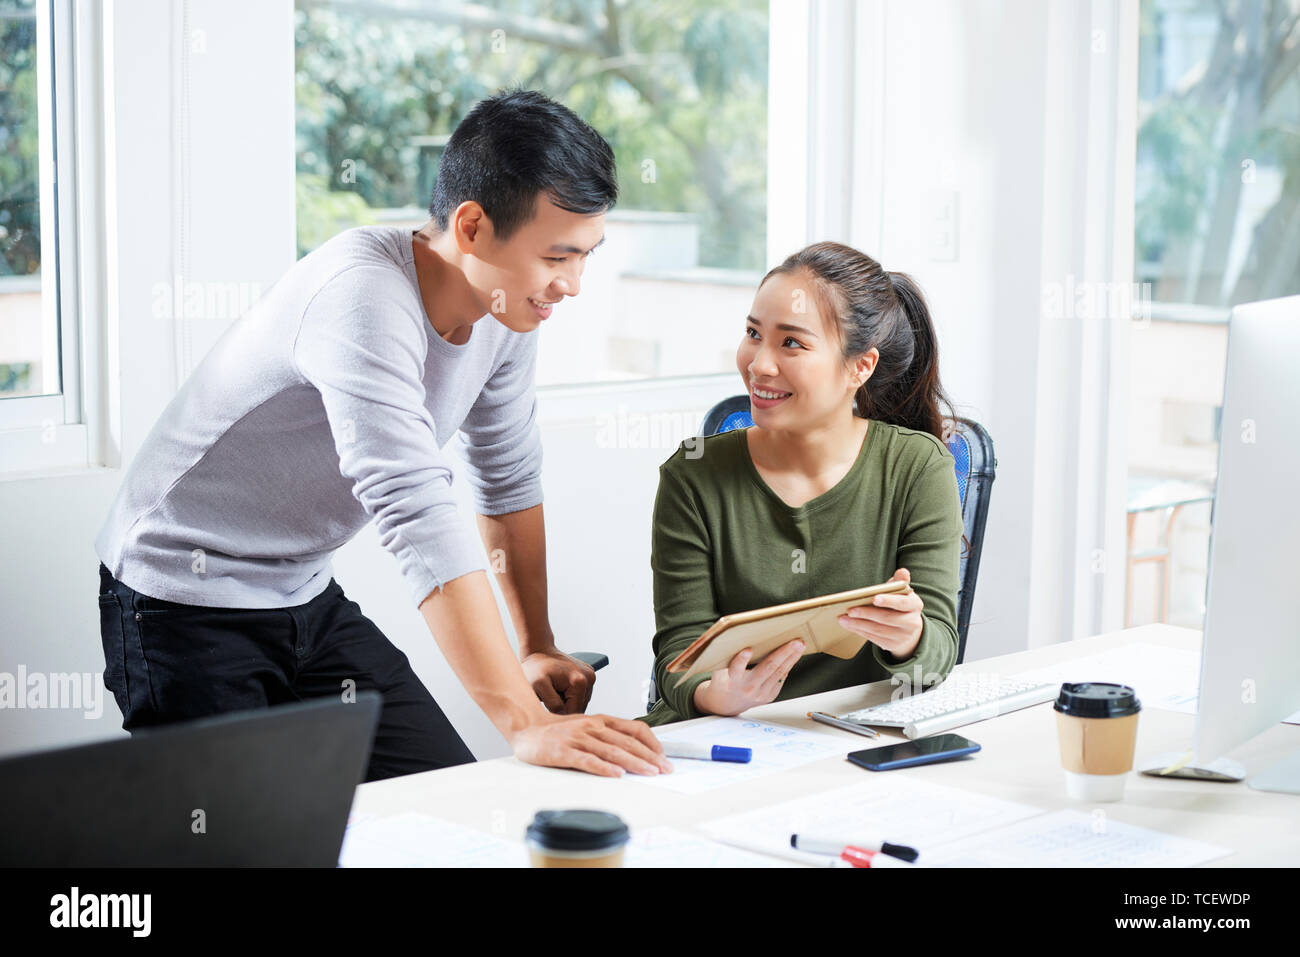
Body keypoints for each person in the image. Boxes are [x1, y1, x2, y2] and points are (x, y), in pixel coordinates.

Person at [96, 89, 670, 780]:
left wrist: (537, 644)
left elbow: (508, 476)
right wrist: (524, 720)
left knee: (443, 803)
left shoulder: (507, 312)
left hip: (302, 593)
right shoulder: (362, 297)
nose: (572, 283)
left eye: (586, 256)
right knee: (246, 841)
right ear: (472, 226)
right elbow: (418, 511)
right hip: (179, 602)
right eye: (557, 257)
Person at [642, 241, 964, 726]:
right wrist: (715, 696)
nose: (759, 364)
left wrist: (910, 636)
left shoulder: (917, 467)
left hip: (845, 741)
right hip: (713, 738)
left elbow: (937, 654)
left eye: (791, 342)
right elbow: (678, 658)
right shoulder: (693, 475)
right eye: (754, 333)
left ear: (861, 366)